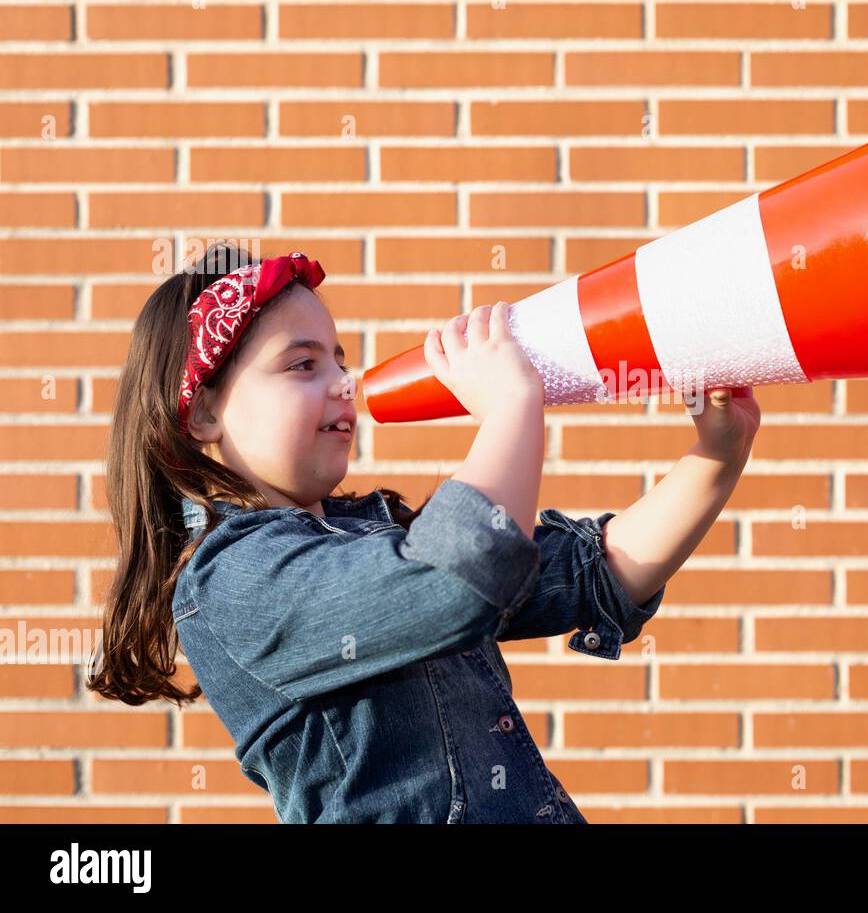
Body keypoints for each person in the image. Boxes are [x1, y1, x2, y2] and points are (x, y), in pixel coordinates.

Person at [87, 240, 761, 823]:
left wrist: (718, 456)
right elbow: (455, 577)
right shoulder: (235, 578)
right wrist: (512, 406)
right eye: (302, 365)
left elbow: (594, 573)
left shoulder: (370, 539)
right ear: (203, 411)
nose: (343, 385)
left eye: (339, 361)